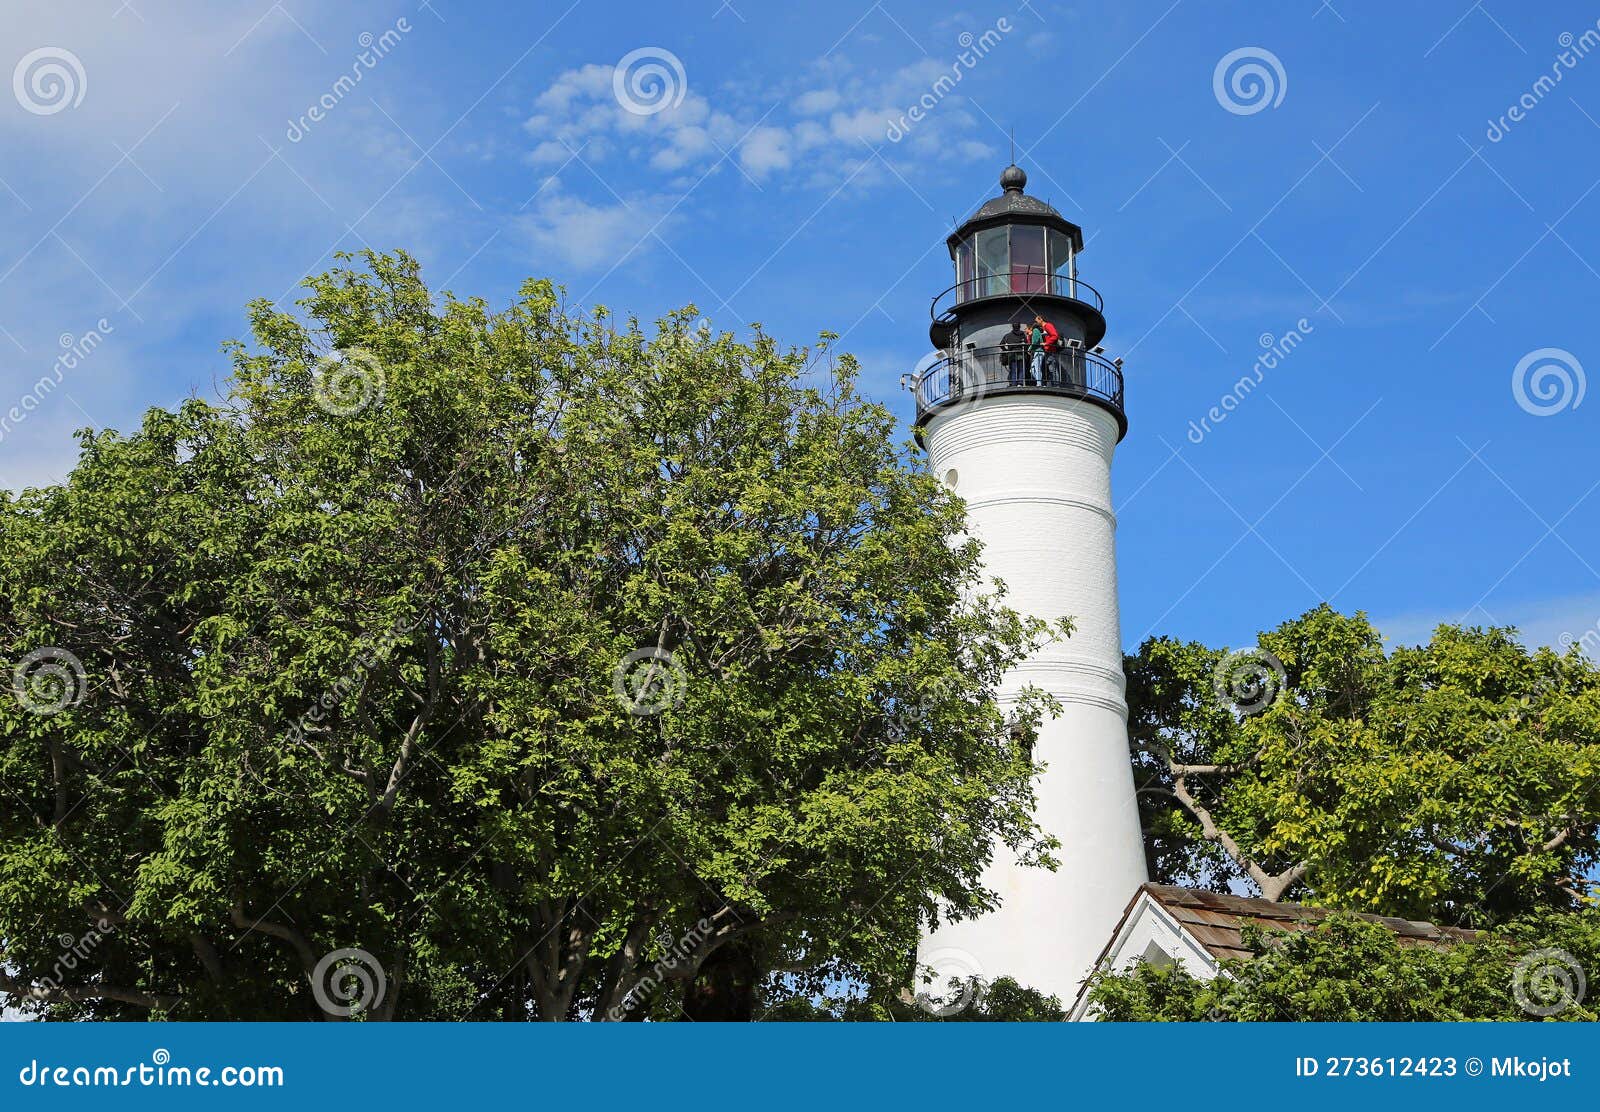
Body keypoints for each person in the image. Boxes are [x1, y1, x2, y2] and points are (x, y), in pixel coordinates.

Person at [1030, 315, 1059, 385]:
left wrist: (1046, 343)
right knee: (1049, 369)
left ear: (1041, 319)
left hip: (1051, 351)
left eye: (1036, 321)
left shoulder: (1048, 325)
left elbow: (1055, 336)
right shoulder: (1043, 328)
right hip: (1047, 351)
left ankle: (1056, 386)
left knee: (1052, 369)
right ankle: (1052, 385)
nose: (1036, 323)